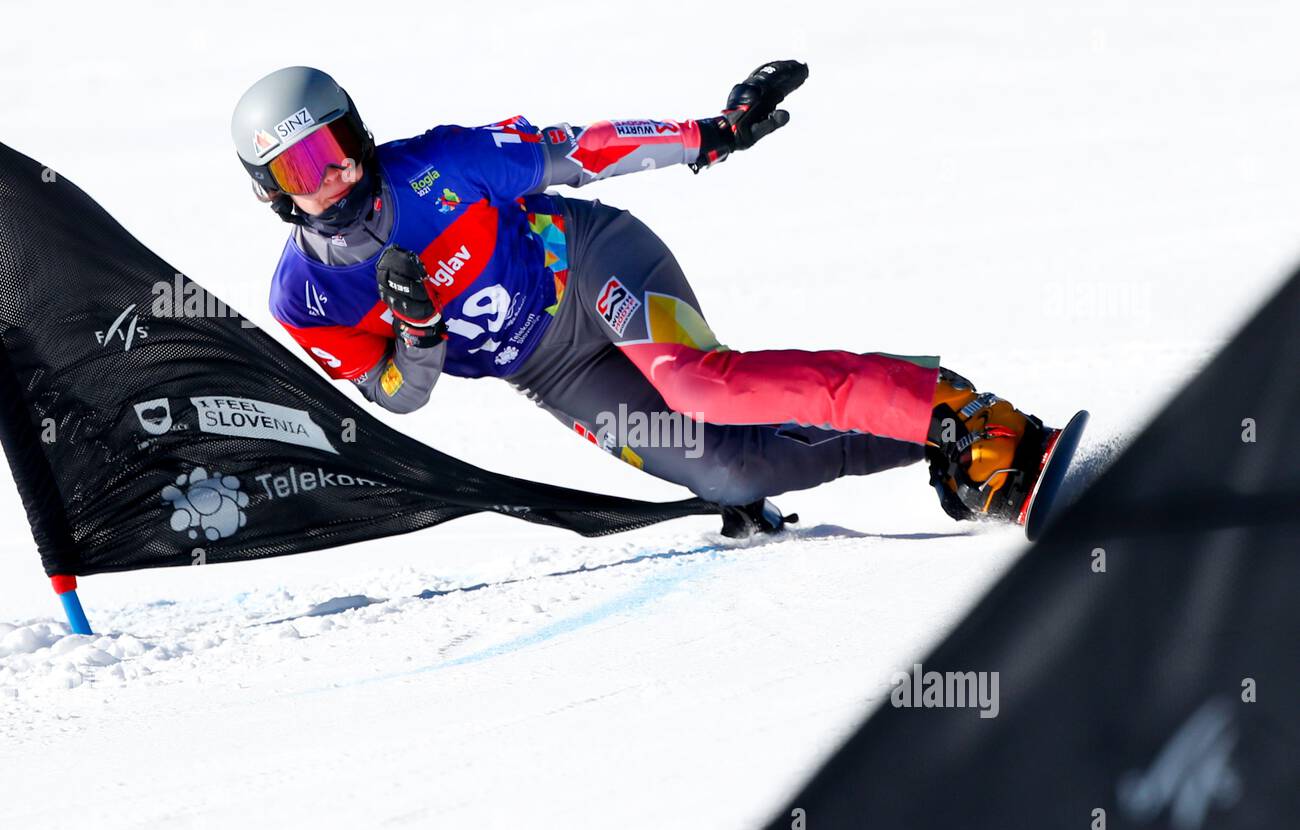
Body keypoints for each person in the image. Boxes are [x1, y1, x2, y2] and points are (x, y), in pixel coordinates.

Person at [231, 63, 1060, 536]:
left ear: (361, 134)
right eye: (303, 170)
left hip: (592, 263)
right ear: (273, 192)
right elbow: (399, 397)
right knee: (733, 472)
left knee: (703, 384)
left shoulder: (441, 164)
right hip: (551, 371)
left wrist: (710, 133)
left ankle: (957, 408)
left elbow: (577, 153)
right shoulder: (304, 295)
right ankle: (936, 440)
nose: (333, 174)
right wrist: (417, 333)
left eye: (337, 146)